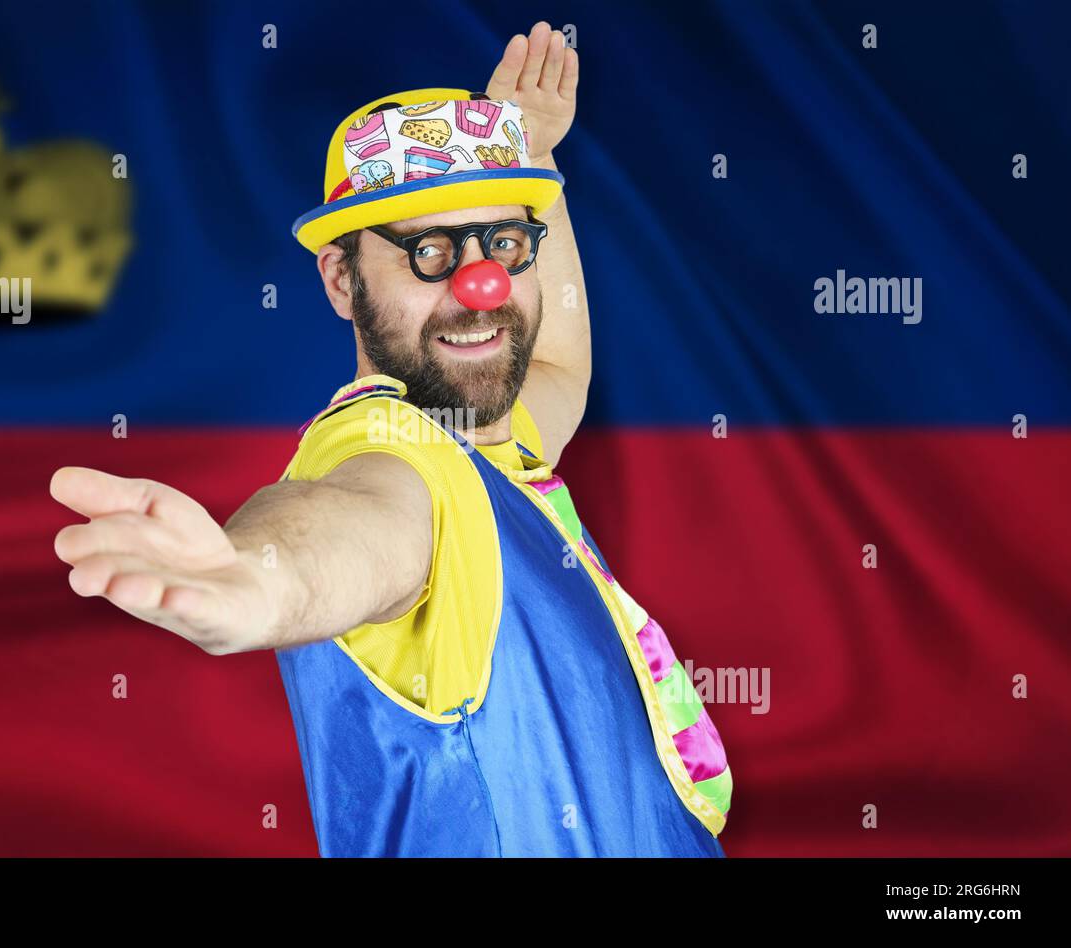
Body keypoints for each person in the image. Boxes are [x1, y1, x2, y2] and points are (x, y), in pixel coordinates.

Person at [50, 22, 731, 856]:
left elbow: (559, 365)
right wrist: (259, 581)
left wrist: (537, 164)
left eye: (505, 245)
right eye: (432, 251)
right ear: (342, 279)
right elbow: (361, 520)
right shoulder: (395, 449)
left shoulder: (496, 451)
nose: (482, 289)